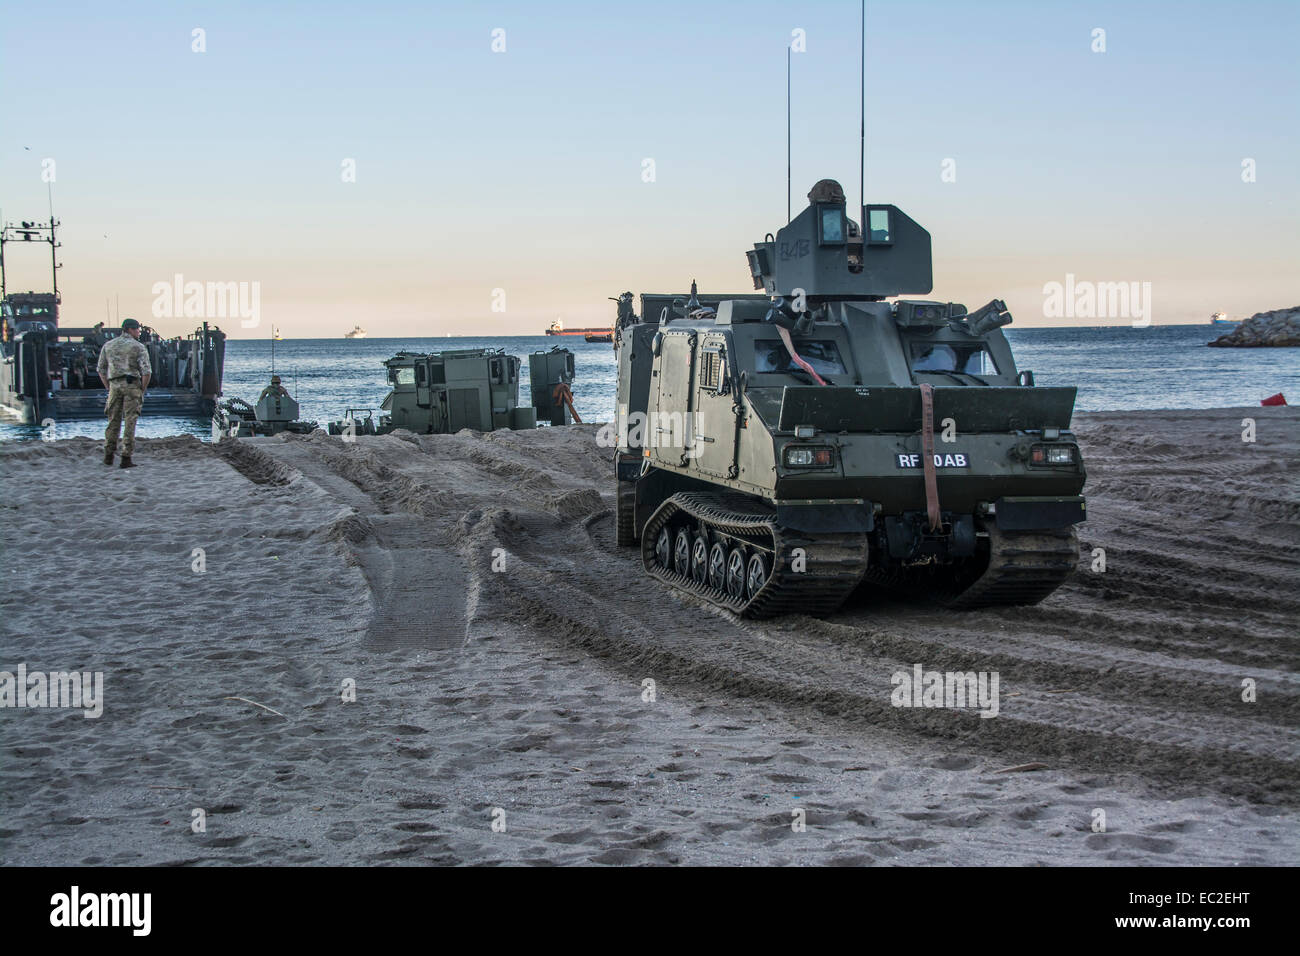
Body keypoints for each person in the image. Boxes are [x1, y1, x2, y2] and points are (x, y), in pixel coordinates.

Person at [96, 318, 152, 468]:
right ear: (130, 329)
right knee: (130, 421)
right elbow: (147, 372)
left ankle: (108, 456)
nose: (139, 332)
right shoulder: (138, 347)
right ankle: (126, 457)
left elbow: (101, 369)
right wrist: (142, 389)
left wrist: (109, 386)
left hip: (114, 385)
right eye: (137, 329)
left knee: (113, 420)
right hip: (131, 385)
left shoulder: (108, 345)